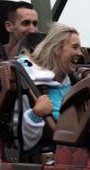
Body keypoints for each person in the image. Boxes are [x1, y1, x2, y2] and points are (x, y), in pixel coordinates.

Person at [13, 23, 82, 159]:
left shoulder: (77, 84)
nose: (80, 53)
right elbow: (21, 143)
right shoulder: (30, 83)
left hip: (78, 158)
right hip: (41, 162)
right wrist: (35, 115)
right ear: (57, 49)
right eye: (75, 47)